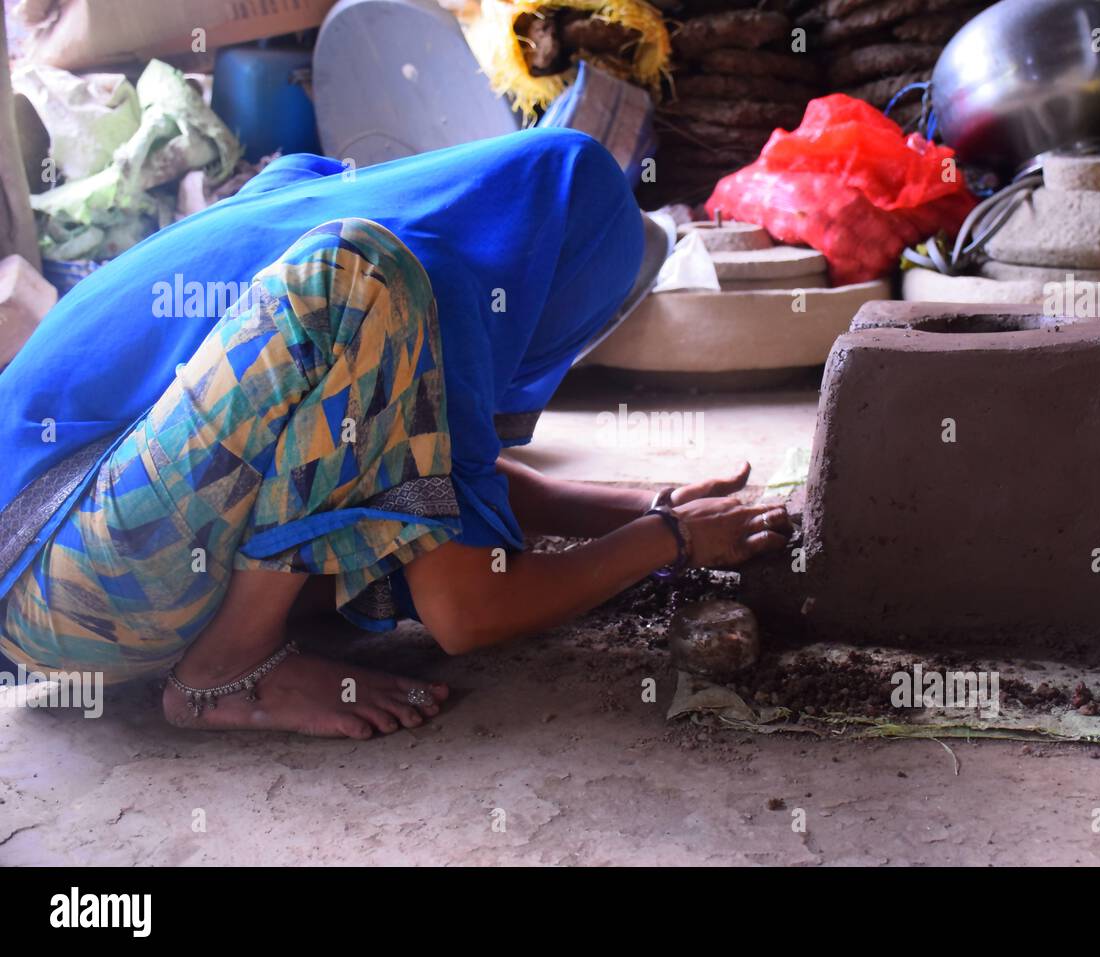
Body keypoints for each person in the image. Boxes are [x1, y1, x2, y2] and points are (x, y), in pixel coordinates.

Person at [0, 130, 792, 739]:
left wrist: (633, 503)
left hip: (67, 586)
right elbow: (467, 610)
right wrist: (669, 539)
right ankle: (227, 670)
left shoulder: (327, 199)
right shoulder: (412, 272)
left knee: (388, 518)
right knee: (356, 281)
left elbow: (401, 455)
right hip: (68, 582)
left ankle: (227, 637)